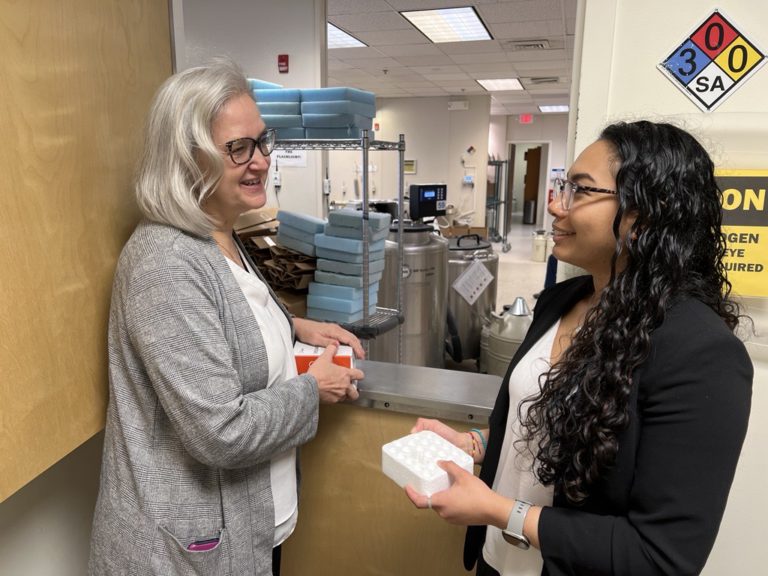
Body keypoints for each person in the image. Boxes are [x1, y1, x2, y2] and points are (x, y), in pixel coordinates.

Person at [406, 121, 753, 575]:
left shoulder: (701, 352)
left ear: (645, 213)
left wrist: (499, 511)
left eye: (579, 191)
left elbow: (662, 555)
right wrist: (475, 443)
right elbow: (553, 426)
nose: (554, 204)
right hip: (498, 561)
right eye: (560, 187)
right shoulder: (561, 301)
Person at [89, 58, 365, 576]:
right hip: (184, 549)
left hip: (253, 523)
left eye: (263, 141)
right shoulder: (164, 261)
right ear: (185, 160)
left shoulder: (221, 232)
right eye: (238, 148)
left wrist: (294, 327)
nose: (260, 160)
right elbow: (222, 431)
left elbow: (230, 314)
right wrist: (313, 388)